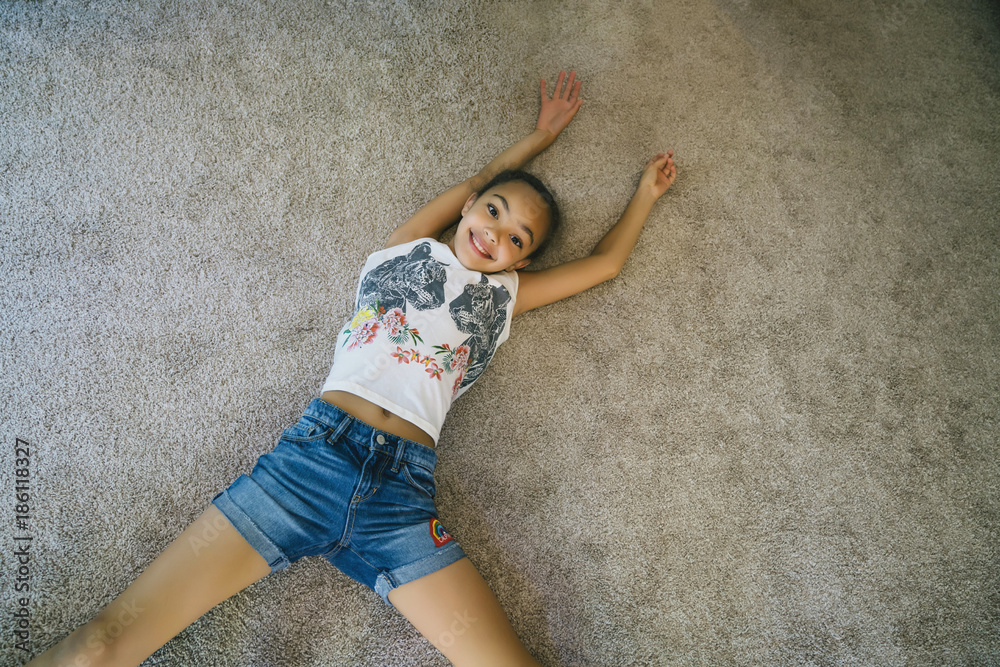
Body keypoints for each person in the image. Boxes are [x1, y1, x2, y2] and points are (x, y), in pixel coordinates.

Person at [26, 70, 677, 667]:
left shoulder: (504, 296)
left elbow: (604, 267)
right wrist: (535, 140)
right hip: (307, 464)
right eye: (495, 212)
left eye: (518, 239)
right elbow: (478, 182)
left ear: (522, 264)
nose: (496, 233)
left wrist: (645, 195)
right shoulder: (401, 250)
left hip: (401, 498)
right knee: (104, 645)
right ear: (471, 208)